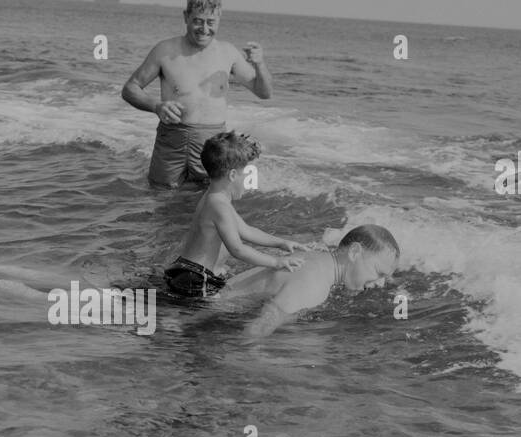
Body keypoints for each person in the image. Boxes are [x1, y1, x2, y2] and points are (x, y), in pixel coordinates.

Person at [122, 0, 273, 188]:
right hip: (171, 141)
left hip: (214, 143)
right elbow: (130, 88)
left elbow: (264, 92)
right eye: (198, 21)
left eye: (211, 22)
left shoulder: (228, 53)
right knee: (162, 197)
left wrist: (260, 64)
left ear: (219, 19)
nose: (204, 29)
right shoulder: (165, 50)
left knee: (209, 199)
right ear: (186, 17)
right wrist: (156, 106)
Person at [163, 131, 308, 298]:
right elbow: (237, 249)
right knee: (202, 320)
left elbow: (246, 230)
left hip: (189, 272)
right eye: (248, 173)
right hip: (195, 278)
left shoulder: (215, 198)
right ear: (232, 175)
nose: (249, 180)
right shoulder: (219, 205)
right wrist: (276, 262)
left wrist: (281, 243)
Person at [223, 224, 400, 339]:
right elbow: (256, 330)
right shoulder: (315, 284)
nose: (380, 284)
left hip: (219, 296)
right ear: (354, 252)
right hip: (210, 310)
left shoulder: (318, 259)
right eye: (378, 272)